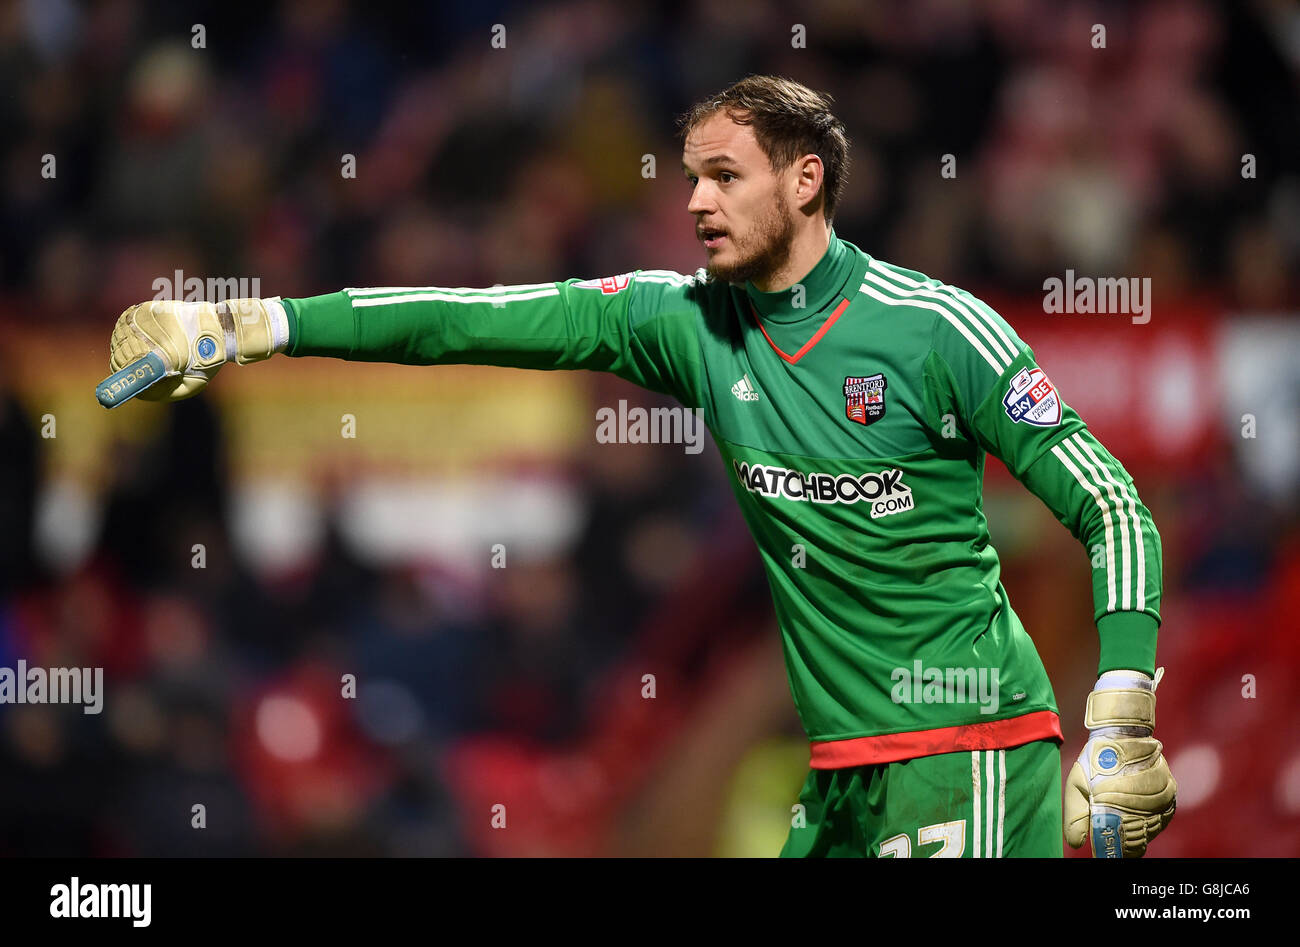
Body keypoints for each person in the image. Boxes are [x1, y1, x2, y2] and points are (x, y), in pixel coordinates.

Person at [99, 74, 1176, 857]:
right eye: (690, 178)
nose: (696, 204)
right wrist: (256, 321)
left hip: (970, 747)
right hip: (842, 773)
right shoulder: (686, 323)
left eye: (723, 177)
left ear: (806, 183)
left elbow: (1114, 504)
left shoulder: (938, 331)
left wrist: (1122, 706)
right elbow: (468, 321)